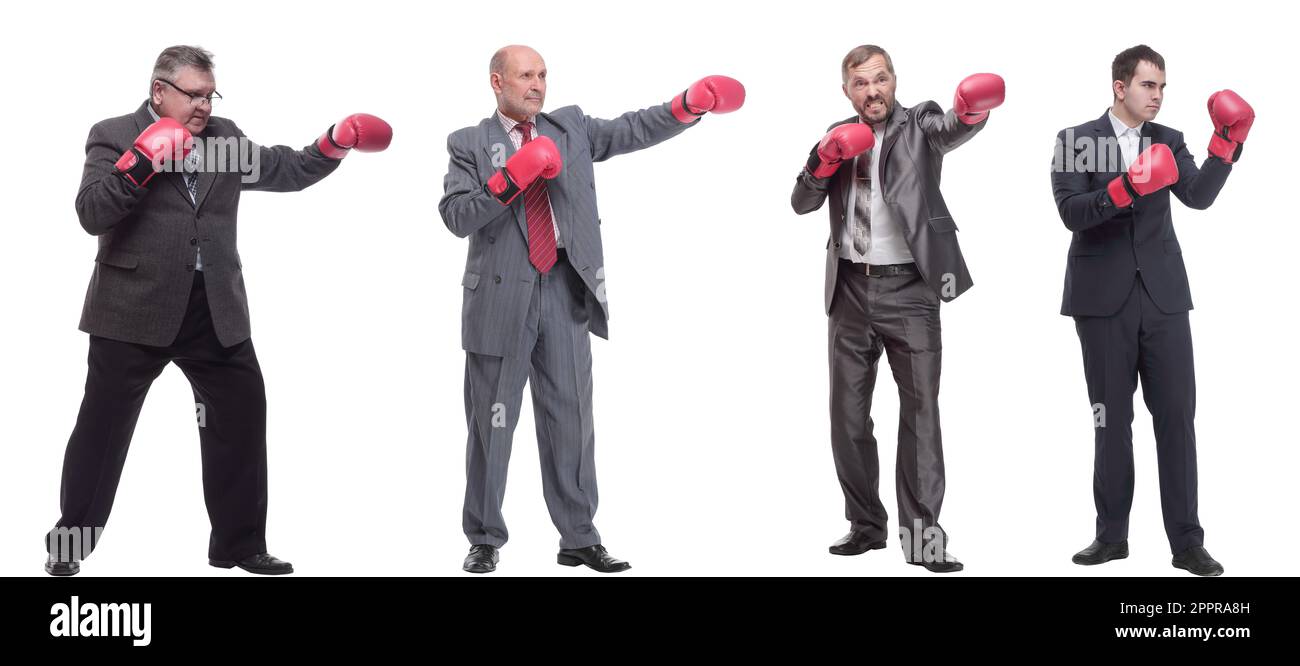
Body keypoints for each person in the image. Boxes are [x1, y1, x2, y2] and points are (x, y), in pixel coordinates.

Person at [46, 45, 392, 576]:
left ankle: (239, 545)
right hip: (131, 311)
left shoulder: (224, 139)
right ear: (160, 91)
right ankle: (69, 546)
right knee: (103, 429)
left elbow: (287, 169)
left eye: (211, 94)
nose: (205, 105)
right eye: (194, 95)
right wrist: (139, 163)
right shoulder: (113, 132)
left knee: (242, 417)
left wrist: (333, 142)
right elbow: (92, 212)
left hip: (214, 309)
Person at [440, 44, 743, 574]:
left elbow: (632, 129)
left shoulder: (571, 127)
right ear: (497, 82)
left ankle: (578, 537)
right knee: (493, 423)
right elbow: (457, 215)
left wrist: (686, 106)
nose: (537, 85)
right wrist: (511, 177)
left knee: (571, 418)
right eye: (525, 76)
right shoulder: (468, 143)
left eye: (542, 75)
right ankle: (485, 537)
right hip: (499, 296)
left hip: (563, 286)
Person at [791, 44, 1004, 573]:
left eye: (880, 79)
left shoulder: (921, 124)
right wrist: (822, 161)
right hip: (849, 293)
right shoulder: (836, 134)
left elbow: (954, 126)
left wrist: (973, 110)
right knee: (846, 417)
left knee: (921, 417)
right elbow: (801, 202)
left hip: (911, 289)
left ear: (893, 81)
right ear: (847, 91)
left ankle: (924, 540)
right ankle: (866, 526)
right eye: (861, 83)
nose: (873, 91)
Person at [1051, 45, 1252, 576]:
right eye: (1148, 85)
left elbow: (1198, 196)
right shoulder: (1077, 142)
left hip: (1164, 299)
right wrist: (1124, 187)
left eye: (1162, 86)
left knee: (1177, 422)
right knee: (1110, 423)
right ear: (1120, 87)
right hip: (1101, 302)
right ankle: (1111, 536)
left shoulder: (1170, 140)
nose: (1157, 96)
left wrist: (1226, 145)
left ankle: (1187, 544)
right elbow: (1071, 212)